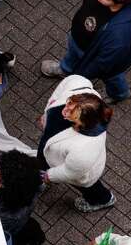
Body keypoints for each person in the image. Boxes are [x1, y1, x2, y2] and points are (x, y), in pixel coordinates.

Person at [40, 0, 131, 104]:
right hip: (79, 40)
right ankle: (65, 69)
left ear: (119, 3)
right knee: (72, 54)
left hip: (101, 58)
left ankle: (119, 93)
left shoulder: (119, 35)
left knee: (112, 76)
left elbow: (103, 64)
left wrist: (81, 76)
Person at [37, 76, 114, 213]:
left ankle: (103, 200)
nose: (64, 110)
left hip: (78, 171)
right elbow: (61, 89)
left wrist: (49, 176)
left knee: (89, 186)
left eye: (72, 113)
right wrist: (47, 113)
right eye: (69, 103)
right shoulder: (79, 84)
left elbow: (69, 172)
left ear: (84, 123)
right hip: (52, 153)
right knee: (41, 161)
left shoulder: (84, 151)